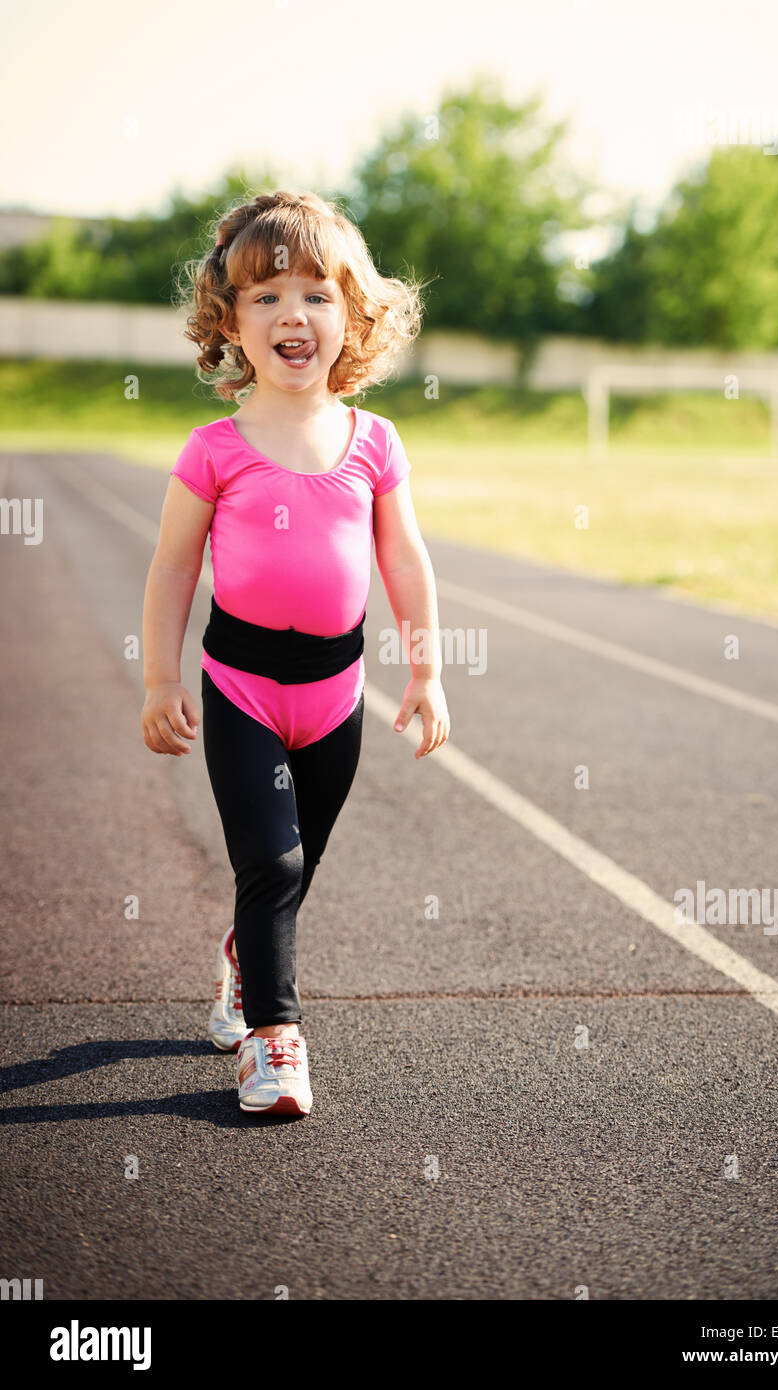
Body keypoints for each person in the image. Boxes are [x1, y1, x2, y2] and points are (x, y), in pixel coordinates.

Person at [141, 191, 449, 1117]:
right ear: (230, 322)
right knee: (268, 866)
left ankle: (245, 957)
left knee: (297, 863)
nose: (292, 315)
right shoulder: (215, 450)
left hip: (335, 694)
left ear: (352, 315)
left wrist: (427, 670)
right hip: (240, 685)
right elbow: (170, 570)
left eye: (316, 294)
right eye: (266, 296)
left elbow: (403, 557)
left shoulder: (374, 442)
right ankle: (275, 1040)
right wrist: (160, 678)